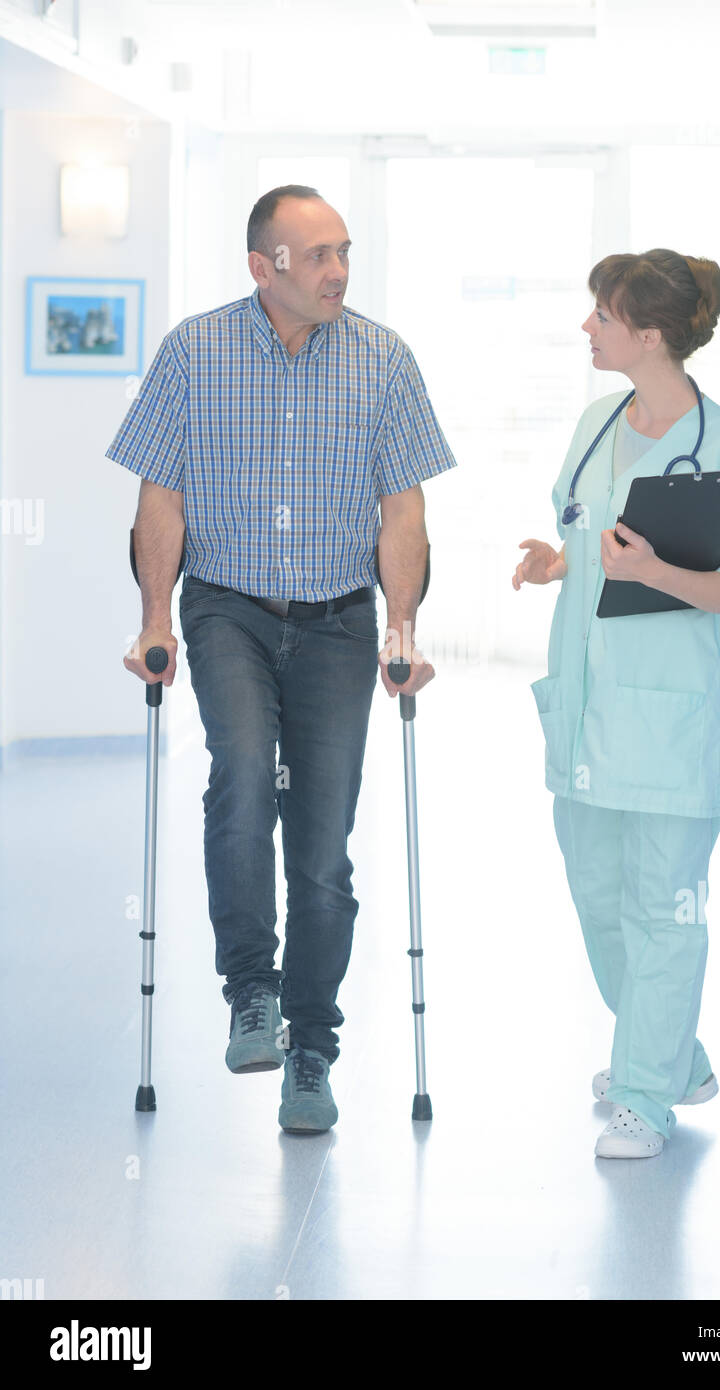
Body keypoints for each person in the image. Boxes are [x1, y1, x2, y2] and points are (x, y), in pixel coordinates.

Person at [108, 185, 456, 1134]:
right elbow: (161, 500)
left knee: (324, 843)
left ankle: (311, 1044)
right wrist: (156, 620)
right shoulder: (193, 350)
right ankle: (250, 993)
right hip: (228, 611)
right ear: (263, 267)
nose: (338, 270)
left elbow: (403, 514)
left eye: (343, 250)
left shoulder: (384, 359)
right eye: (316, 256)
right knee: (242, 781)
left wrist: (401, 628)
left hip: (341, 621)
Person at [513, 249, 720, 1159]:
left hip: (673, 723)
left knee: (663, 912)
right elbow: (584, 537)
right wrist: (558, 562)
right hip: (587, 710)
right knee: (597, 901)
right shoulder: (595, 423)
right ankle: (672, 1057)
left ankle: (644, 1096)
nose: (587, 326)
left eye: (602, 313)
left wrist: (657, 571)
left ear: (649, 333)